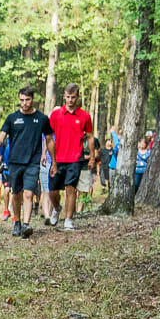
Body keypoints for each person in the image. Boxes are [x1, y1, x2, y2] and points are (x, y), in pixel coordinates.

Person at [0, 86, 54, 238]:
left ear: (32, 99)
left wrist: (54, 161)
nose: (24, 103)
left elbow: (49, 140)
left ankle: (26, 224)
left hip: (33, 162)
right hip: (15, 161)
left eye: (27, 100)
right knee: (16, 194)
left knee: (28, 193)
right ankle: (17, 222)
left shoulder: (42, 119)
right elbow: (2, 136)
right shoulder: (12, 118)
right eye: (22, 100)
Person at [46, 84, 92, 231]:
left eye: (73, 97)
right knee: (53, 190)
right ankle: (56, 208)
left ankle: (68, 220)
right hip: (57, 158)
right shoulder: (55, 115)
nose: (70, 100)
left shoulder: (85, 116)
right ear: (64, 96)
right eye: (67, 97)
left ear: (77, 97)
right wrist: (45, 155)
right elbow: (48, 137)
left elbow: (90, 137)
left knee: (70, 189)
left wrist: (91, 156)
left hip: (75, 157)